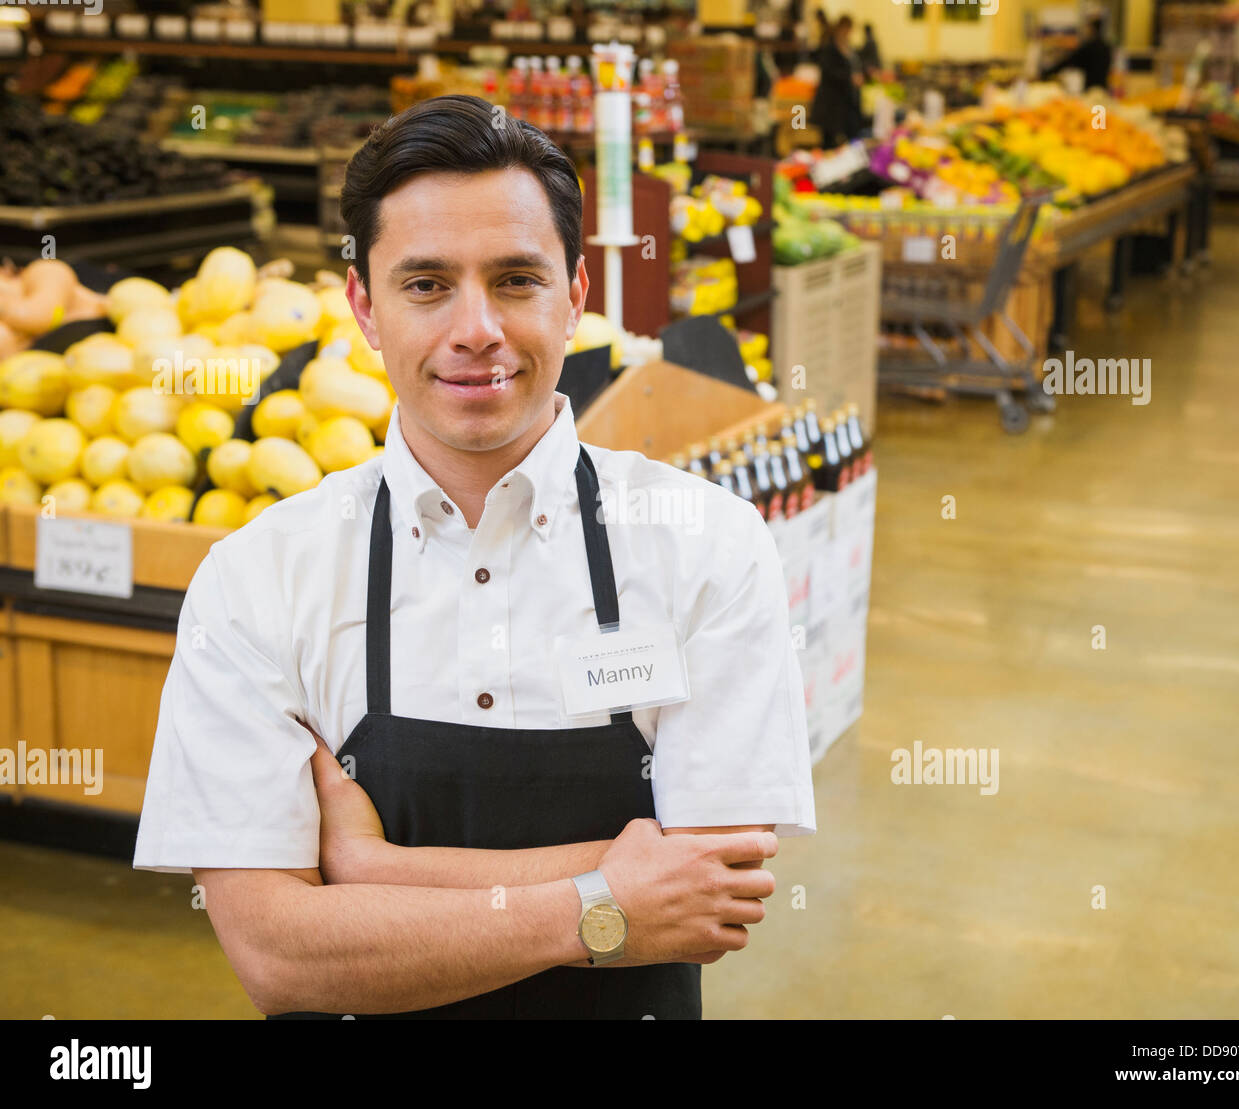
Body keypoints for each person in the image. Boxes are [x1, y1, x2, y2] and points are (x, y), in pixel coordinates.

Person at [132, 95, 816, 1020]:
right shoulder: (258, 579)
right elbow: (278, 954)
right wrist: (606, 902)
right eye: (425, 285)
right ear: (364, 309)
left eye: (515, 279)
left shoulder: (708, 545)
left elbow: (711, 893)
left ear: (575, 296)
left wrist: (370, 870)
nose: (475, 329)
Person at [811, 14, 865, 147]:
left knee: (849, 138)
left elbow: (857, 67)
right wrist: (849, 78)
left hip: (847, 102)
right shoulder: (829, 48)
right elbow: (829, 71)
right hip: (831, 103)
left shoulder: (849, 48)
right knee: (829, 141)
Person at [1042, 14, 1113, 92]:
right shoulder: (1107, 47)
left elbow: (1069, 61)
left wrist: (1047, 73)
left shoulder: (1089, 47)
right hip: (1104, 89)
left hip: (1091, 90)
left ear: (1091, 28)